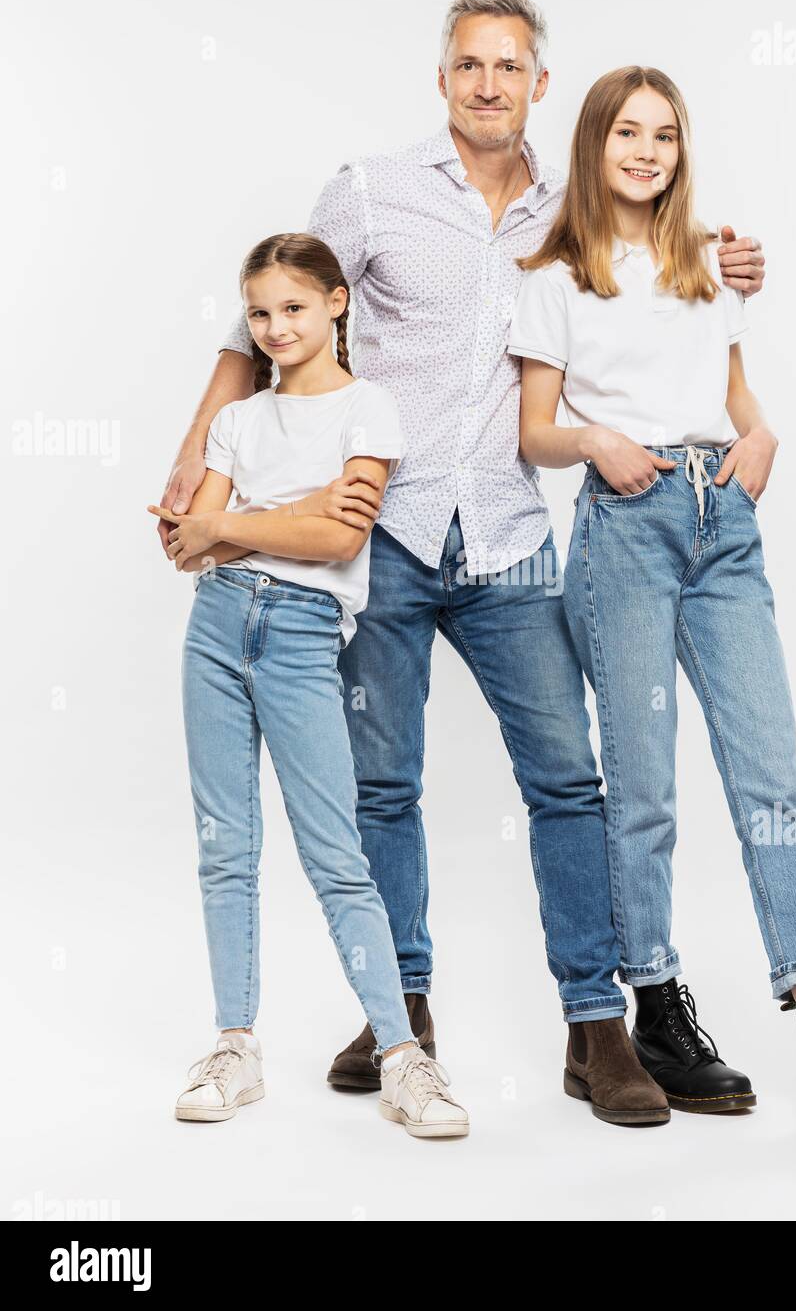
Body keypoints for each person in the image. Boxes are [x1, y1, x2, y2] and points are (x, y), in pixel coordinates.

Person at [156, 0, 765, 1126]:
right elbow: (267, 318)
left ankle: (597, 1023)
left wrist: (736, 267)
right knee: (382, 785)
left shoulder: (572, 203)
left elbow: (657, 261)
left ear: (540, 84)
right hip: (379, 534)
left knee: (566, 778)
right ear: (444, 80)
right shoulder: (372, 189)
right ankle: (406, 1013)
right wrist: (198, 456)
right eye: (470, 65)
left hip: (510, 537)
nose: (491, 84)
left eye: (512, 67)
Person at [510, 66, 796, 1128]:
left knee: (773, 774)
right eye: (628, 131)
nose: (648, 150)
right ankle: (656, 1005)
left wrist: (757, 436)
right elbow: (534, 430)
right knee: (647, 787)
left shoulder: (713, 261)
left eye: (665, 133)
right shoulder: (555, 277)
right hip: (625, 523)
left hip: (725, 521)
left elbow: (732, 386)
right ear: (594, 143)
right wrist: (597, 441)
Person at [149, 233, 469, 1138]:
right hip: (214, 628)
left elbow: (340, 544)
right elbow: (186, 546)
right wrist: (284, 514)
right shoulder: (239, 419)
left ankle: (406, 1059)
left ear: (337, 303)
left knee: (337, 854)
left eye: (293, 307)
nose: (275, 327)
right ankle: (234, 1047)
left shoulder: (371, 410)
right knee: (226, 848)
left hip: (298, 636)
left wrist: (229, 522)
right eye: (259, 313)